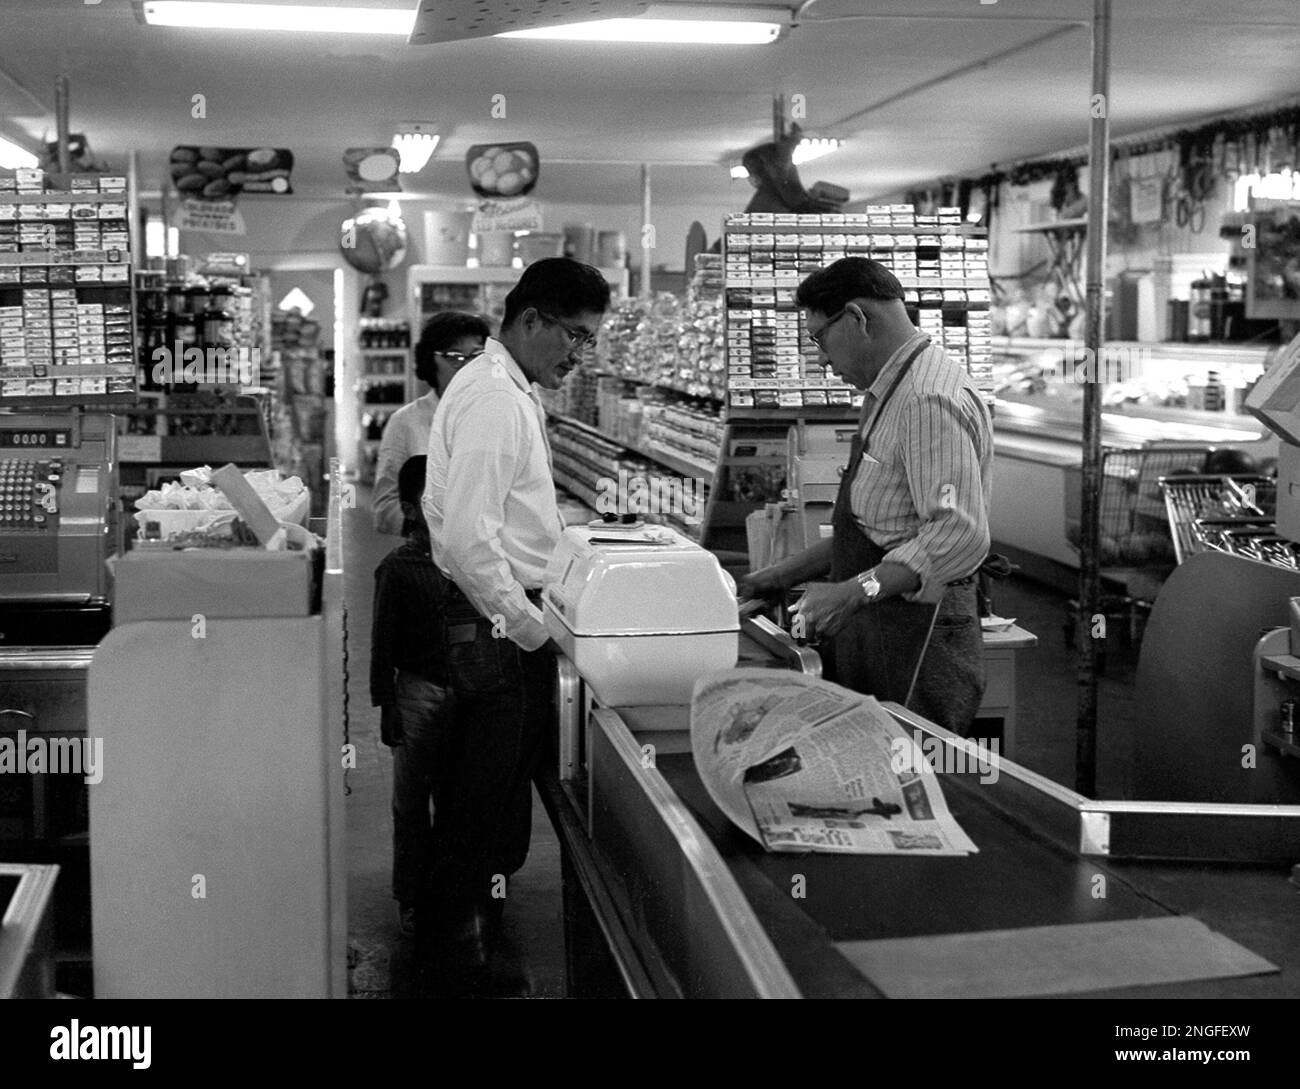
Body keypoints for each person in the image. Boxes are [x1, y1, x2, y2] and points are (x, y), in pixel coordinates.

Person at [421, 256, 611, 993]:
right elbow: (471, 539)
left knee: (485, 808)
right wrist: (532, 630)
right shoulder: (498, 398)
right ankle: (460, 970)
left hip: (491, 619)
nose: (578, 353)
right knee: (482, 811)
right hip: (495, 631)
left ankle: (466, 952)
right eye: (574, 335)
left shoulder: (500, 386)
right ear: (530, 320)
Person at [739, 257, 993, 736]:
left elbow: (958, 535)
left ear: (856, 319)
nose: (821, 358)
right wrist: (779, 576)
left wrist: (856, 591)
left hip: (920, 635)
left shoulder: (926, 399)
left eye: (819, 338)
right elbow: (878, 528)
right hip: (883, 624)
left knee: (911, 780)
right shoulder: (891, 391)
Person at [369, 455, 451, 938]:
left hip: (465, 687)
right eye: (431, 498)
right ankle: (411, 897)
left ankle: (450, 890)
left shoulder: (466, 558)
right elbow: (382, 642)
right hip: (416, 692)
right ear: (408, 508)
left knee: (456, 797)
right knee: (412, 803)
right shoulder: (396, 569)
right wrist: (386, 703)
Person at [371, 311, 489, 535]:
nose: (468, 367)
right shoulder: (406, 422)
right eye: (454, 356)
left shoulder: (498, 414)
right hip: (431, 559)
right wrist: (430, 531)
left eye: (476, 356)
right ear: (430, 361)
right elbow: (384, 507)